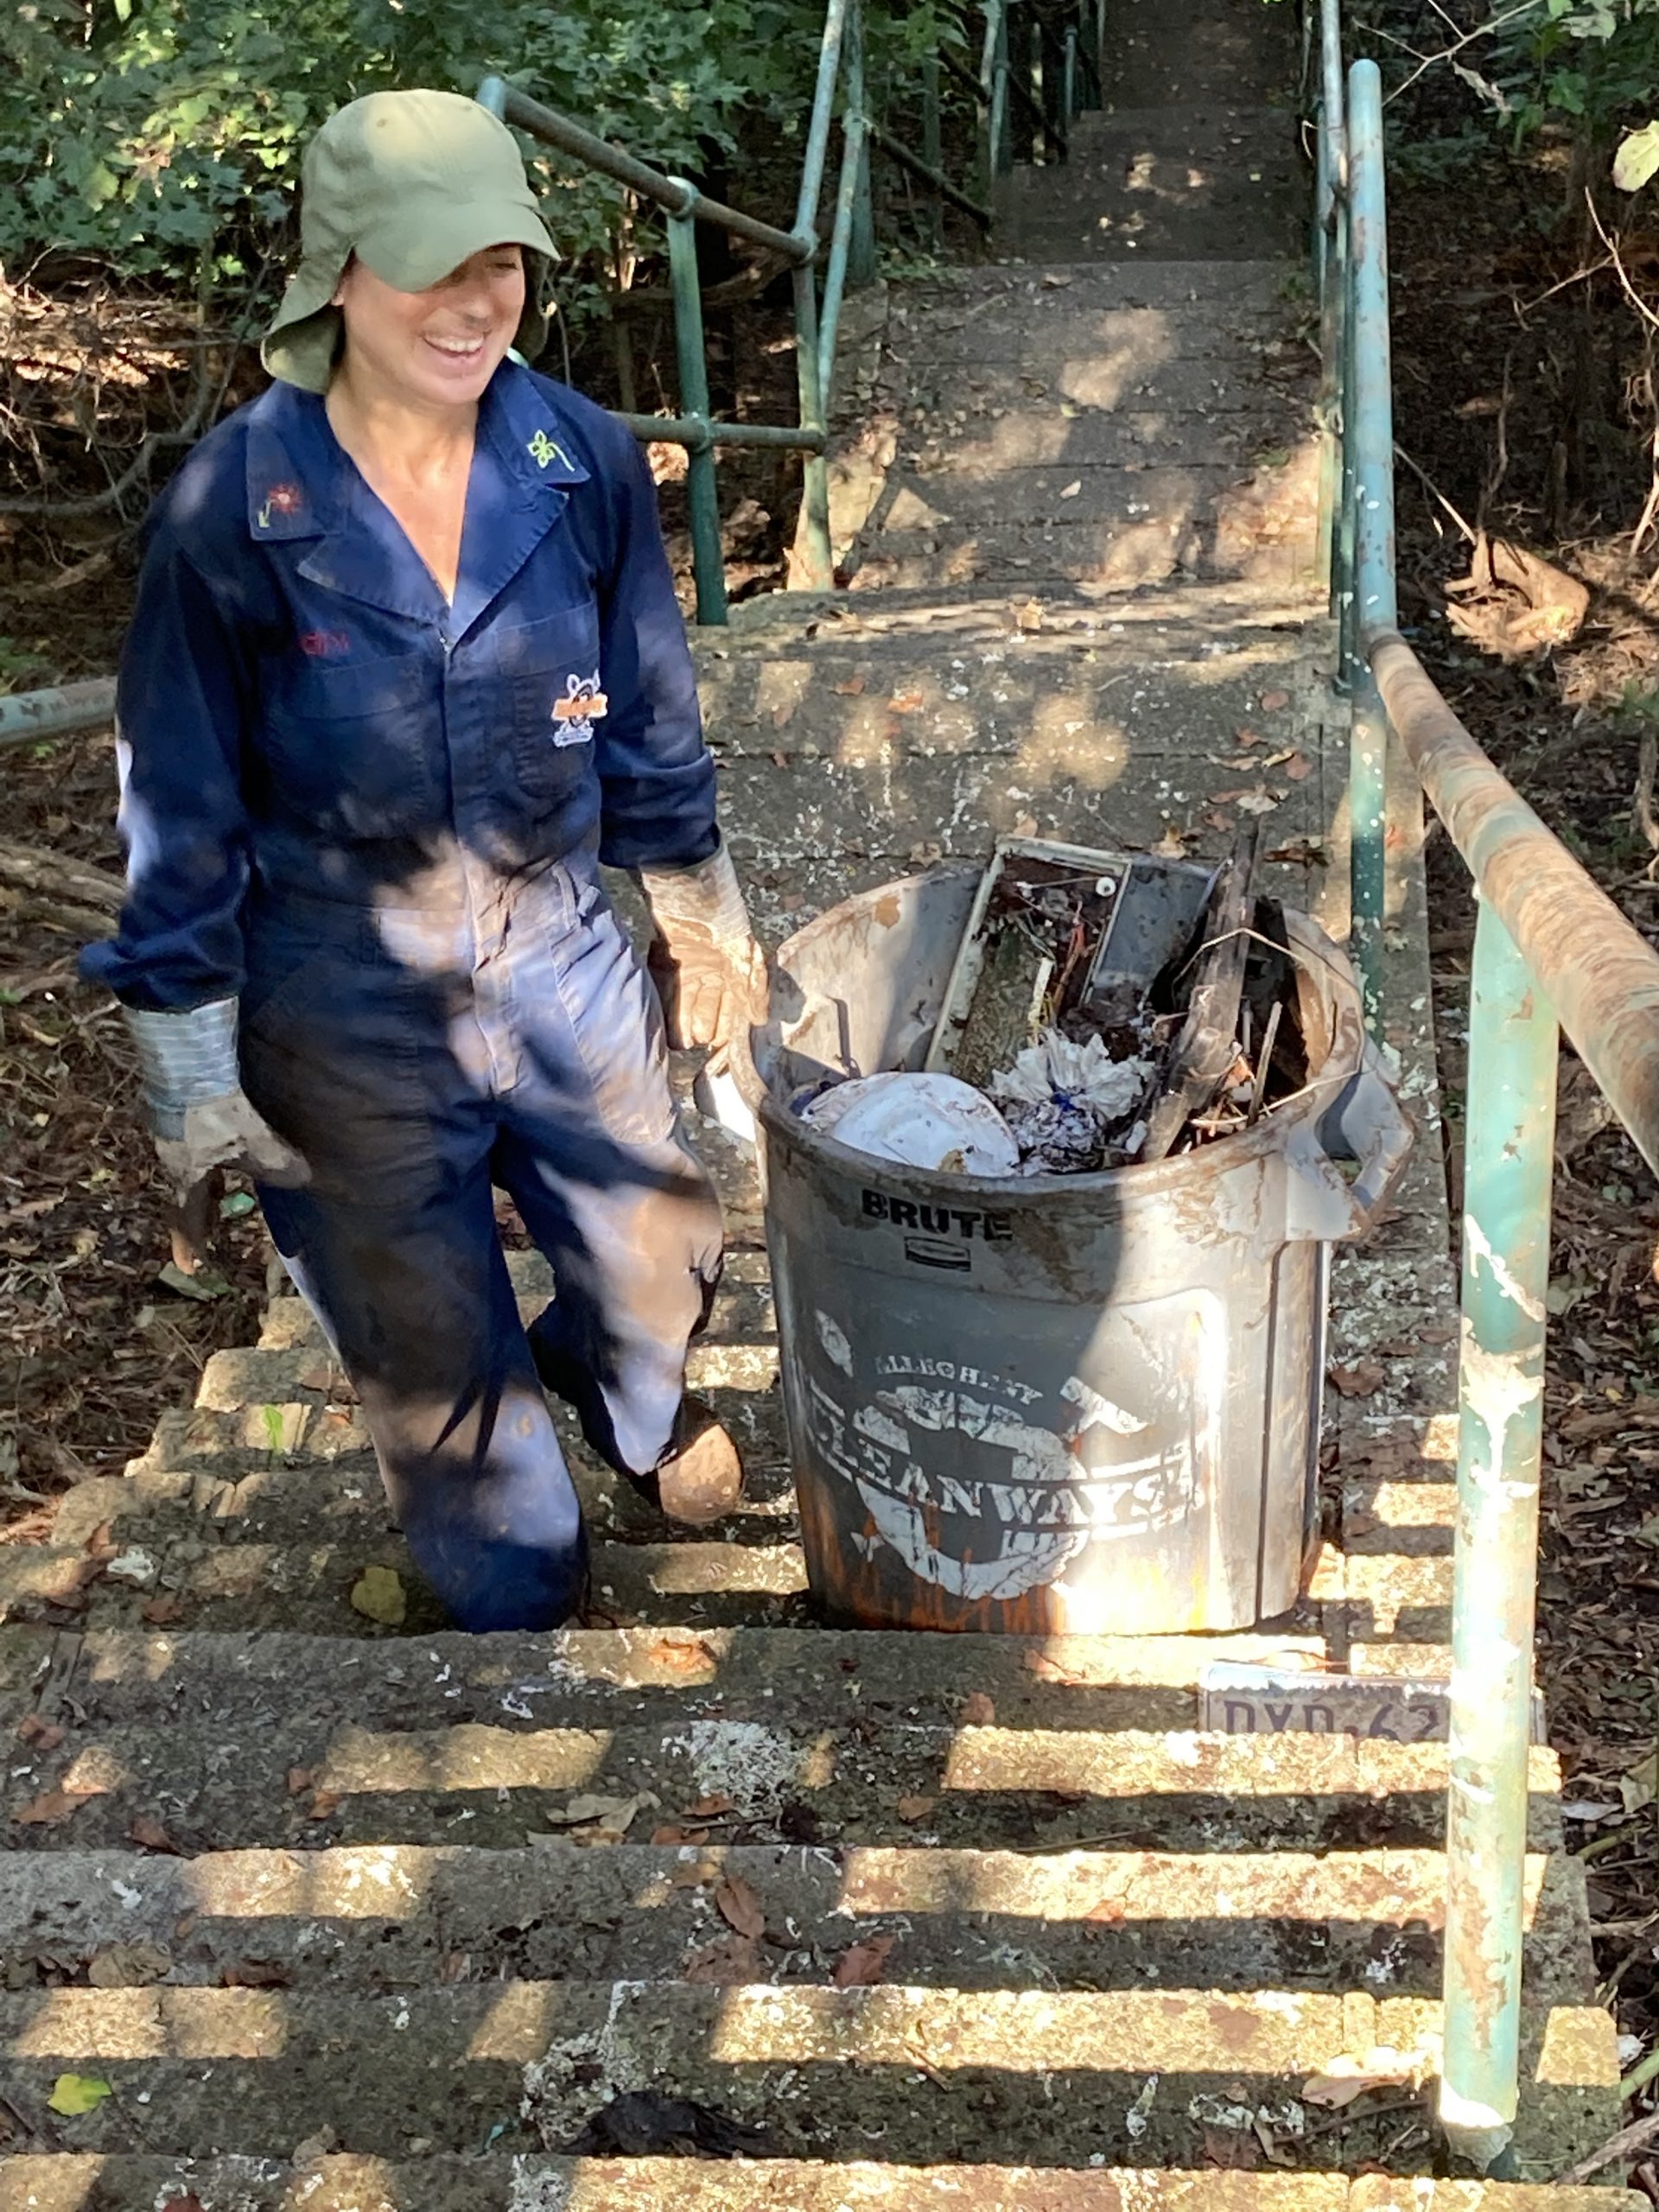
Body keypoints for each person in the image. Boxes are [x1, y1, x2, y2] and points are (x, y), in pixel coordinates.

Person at [83, 88, 766, 1633]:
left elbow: (646, 702)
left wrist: (696, 898)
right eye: (431, 267)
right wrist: (184, 1047)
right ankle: (500, 1536)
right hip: (341, 986)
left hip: (556, 947)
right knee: (460, 1447)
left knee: (659, 1259)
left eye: (502, 263)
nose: (476, 303)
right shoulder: (235, 510)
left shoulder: (576, 459)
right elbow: (175, 793)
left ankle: (626, 1405)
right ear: (338, 274)